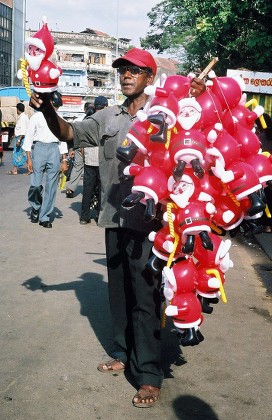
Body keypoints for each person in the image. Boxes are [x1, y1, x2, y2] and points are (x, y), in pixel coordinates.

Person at [30, 47, 206, 407]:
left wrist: (196, 98)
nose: (126, 75)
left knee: (145, 300)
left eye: (135, 70)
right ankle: (124, 354)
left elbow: (195, 132)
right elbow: (68, 133)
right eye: (122, 70)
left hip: (150, 226)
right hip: (114, 219)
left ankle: (149, 376)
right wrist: (47, 105)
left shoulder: (165, 113)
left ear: (150, 78)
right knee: (120, 297)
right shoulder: (106, 117)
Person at [23, 92, 68, 228]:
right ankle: (36, 206)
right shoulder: (36, 117)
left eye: (57, 107)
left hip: (54, 150)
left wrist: (64, 160)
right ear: (49, 103)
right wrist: (29, 158)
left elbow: (63, 139)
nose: (56, 109)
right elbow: (29, 137)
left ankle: (45, 216)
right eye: (55, 106)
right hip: (39, 148)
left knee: (51, 186)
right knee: (35, 184)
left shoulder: (60, 118)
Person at [80, 96, 108, 225]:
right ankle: (99, 215)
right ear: (105, 106)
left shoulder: (88, 120)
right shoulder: (107, 120)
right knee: (102, 189)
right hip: (103, 159)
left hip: (89, 158)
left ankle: (84, 216)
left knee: (88, 188)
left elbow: (82, 139)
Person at [65, 102, 95, 198]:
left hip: (78, 147)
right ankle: (90, 190)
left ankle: (70, 188)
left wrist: (71, 149)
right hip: (91, 148)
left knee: (77, 167)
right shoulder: (95, 120)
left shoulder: (78, 120)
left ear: (84, 109)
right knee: (90, 169)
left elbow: (72, 136)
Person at [6, 103, 29, 175]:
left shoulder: (22, 118)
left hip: (21, 139)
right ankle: (17, 170)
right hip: (19, 138)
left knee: (19, 154)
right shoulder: (22, 117)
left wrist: (19, 140)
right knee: (21, 154)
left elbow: (23, 130)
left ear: (18, 109)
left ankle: (17, 170)